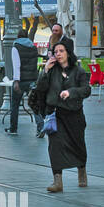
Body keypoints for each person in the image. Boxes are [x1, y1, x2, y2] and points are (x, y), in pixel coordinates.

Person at [34, 40, 91, 192]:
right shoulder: (52, 70)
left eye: (61, 51)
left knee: (78, 145)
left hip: (74, 114)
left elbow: (86, 90)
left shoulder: (78, 71)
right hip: (55, 114)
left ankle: (82, 170)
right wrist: (45, 71)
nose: (58, 54)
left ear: (68, 53)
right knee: (55, 147)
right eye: (55, 52)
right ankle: (57, 181)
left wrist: (70, 92)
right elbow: (40, 88)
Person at [8, 26, 40, 136]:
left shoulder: (16, 47)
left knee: (15, 105)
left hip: (21, 80)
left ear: (18, 36)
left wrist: (16, 81)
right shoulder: (33, 47)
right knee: (34, 104)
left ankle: (13, 129)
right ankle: (40, 127)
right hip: (33, 79)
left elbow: (16, 65)